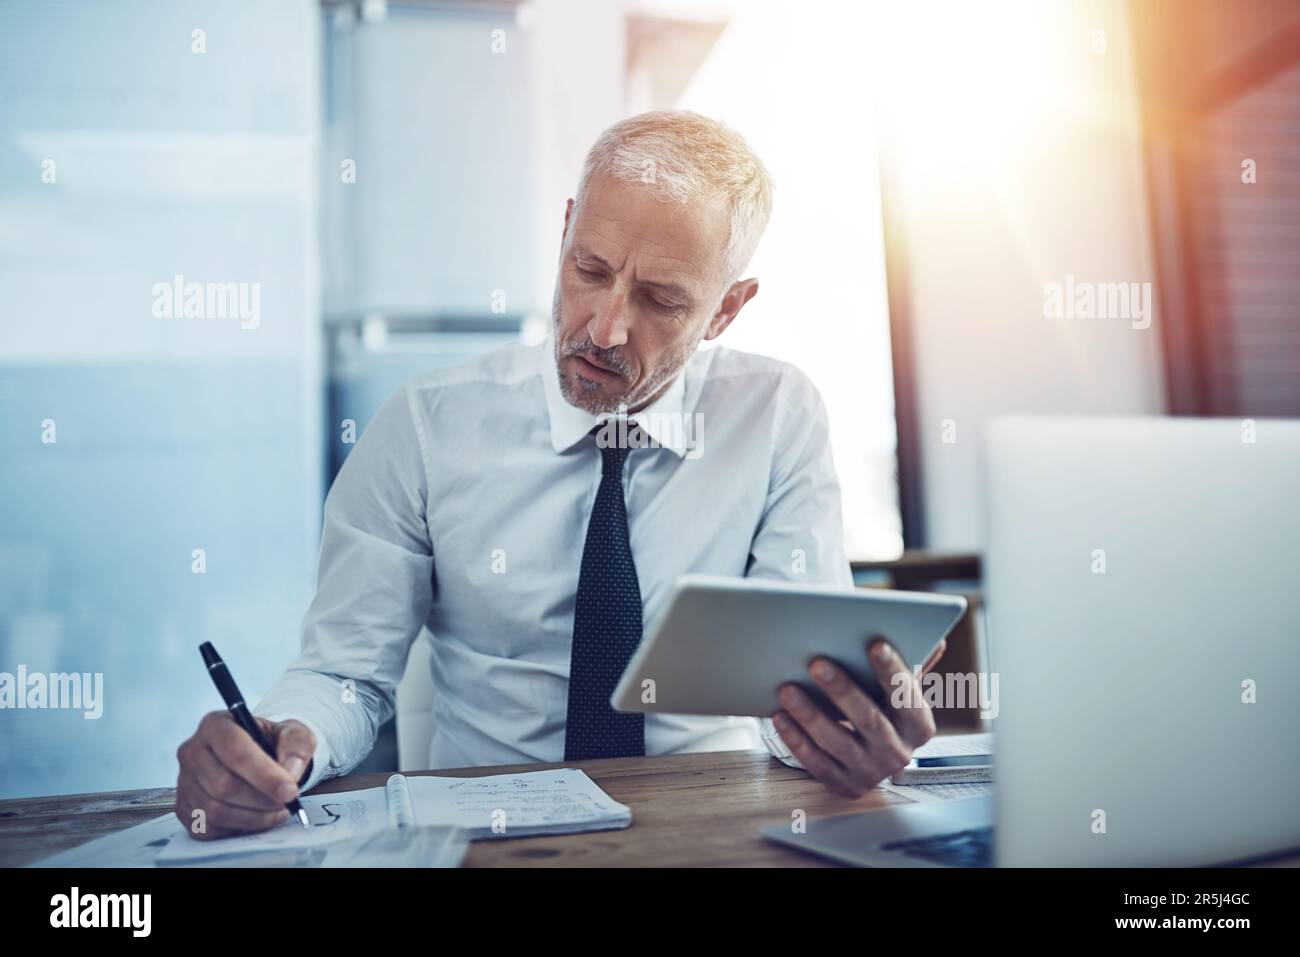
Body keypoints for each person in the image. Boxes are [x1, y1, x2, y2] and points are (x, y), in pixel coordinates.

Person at [174, 110, 941, 838]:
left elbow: (796, 688)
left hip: (713, 826)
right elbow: (346, 670)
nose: (604, 328)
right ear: (566, 230)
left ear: (726, 310)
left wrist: (846, 735)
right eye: (591, 268)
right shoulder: (425, 426)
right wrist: (286, 739)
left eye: (662, 300)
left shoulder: (774, 414)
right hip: (493, 842)